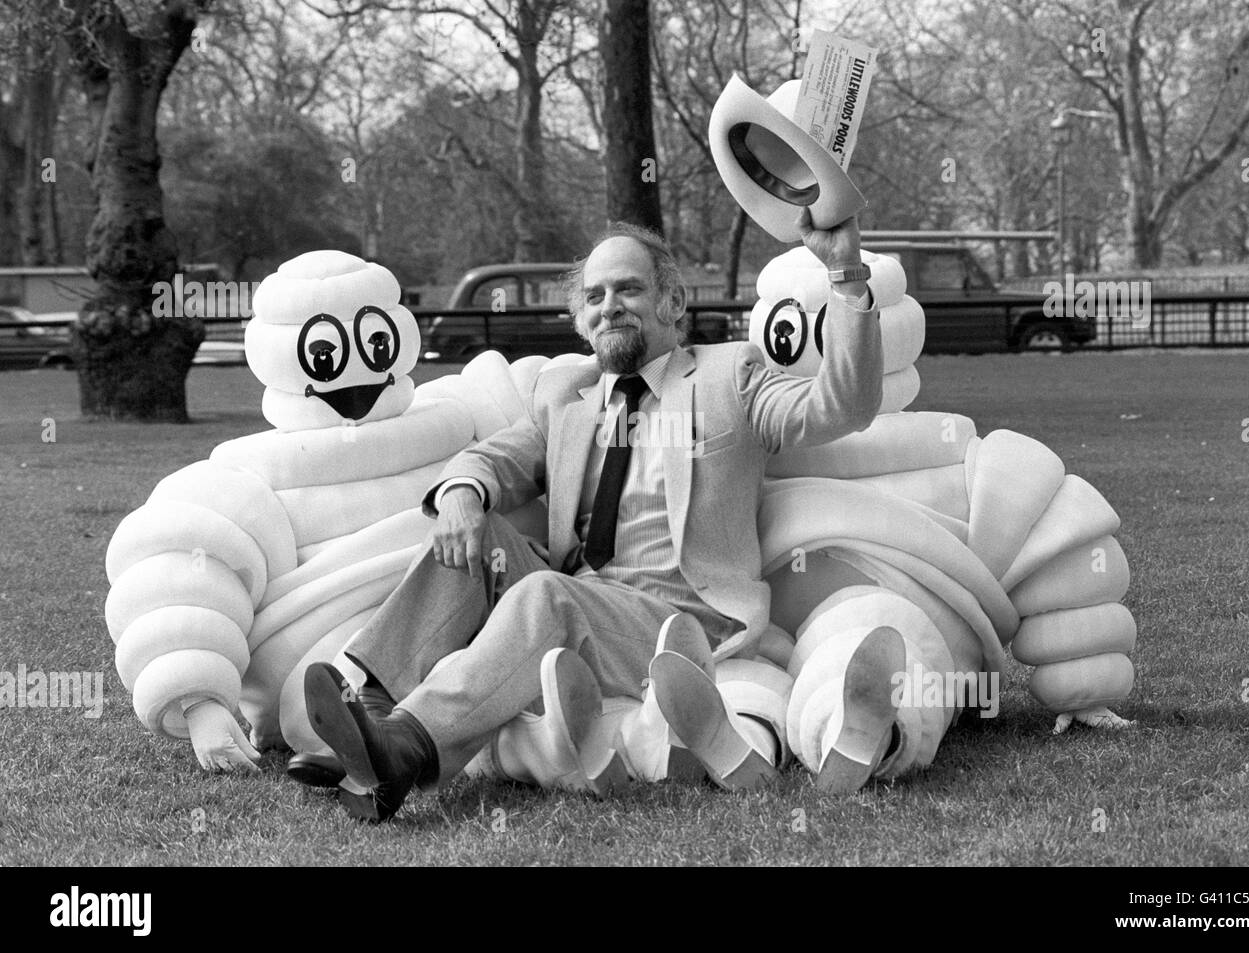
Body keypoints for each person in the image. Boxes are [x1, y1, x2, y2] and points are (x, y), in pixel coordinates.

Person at [304, 209, 883, 822]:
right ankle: (371, 714)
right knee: (477, 534)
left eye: (629, 289)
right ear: (580, 318)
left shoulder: (728, 377)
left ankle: (403, 752)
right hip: (582, 600)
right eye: (595, 296)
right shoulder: (567, 396)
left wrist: (845, 274)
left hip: (680, 621)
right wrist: (461, 497)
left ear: (673, 301)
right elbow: (494, 459)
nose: (611, 306)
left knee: (548, 596)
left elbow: (840, 406)